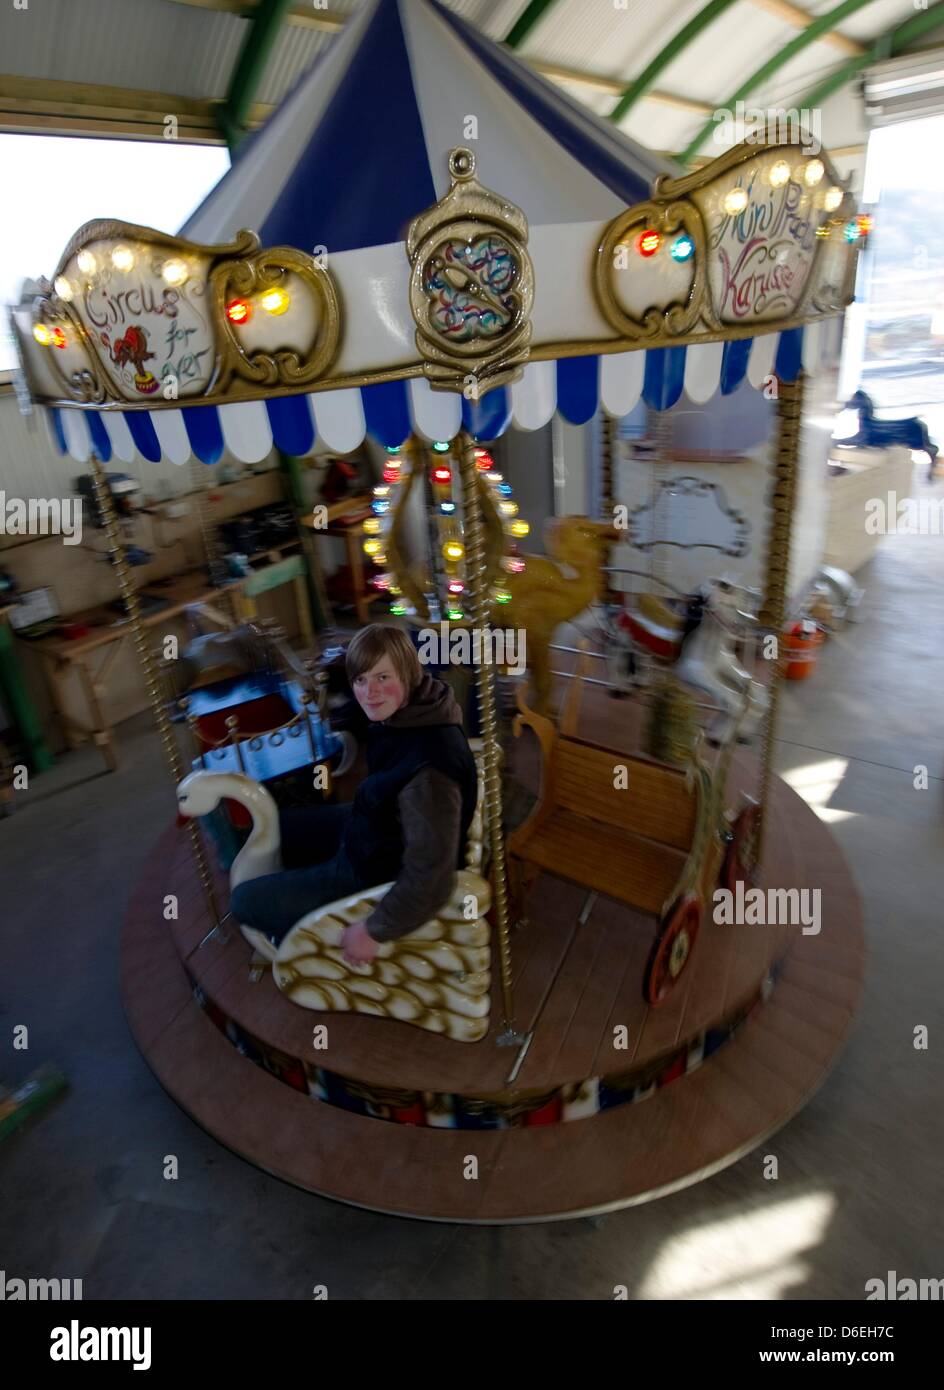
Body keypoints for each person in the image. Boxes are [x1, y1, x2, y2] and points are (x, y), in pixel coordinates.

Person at [231, 624, 479, 967]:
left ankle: (308, 934)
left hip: (372, 870)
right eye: (360, 680)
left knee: (243, 901)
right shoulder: (416, 705)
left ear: (408, 673)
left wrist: (373, 930)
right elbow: (358, 709)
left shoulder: (430, 776)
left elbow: (431, 880)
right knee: (270, 824)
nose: (369, 692)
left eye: (382, 678)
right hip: (374, 826)